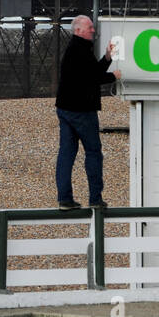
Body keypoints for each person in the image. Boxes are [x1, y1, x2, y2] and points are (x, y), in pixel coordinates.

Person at [53, 14, 120, 209]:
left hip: (64, 108)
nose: (93, 30)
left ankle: (64, 198)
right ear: (78, 30)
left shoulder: (75, 49)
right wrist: (113, 76)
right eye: (89, 27)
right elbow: (92, 78)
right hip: (81, 110)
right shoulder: (80, 50)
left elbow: (91, 73)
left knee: (66, 153)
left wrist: (107, 57)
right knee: (93, 152)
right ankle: (95, 199)